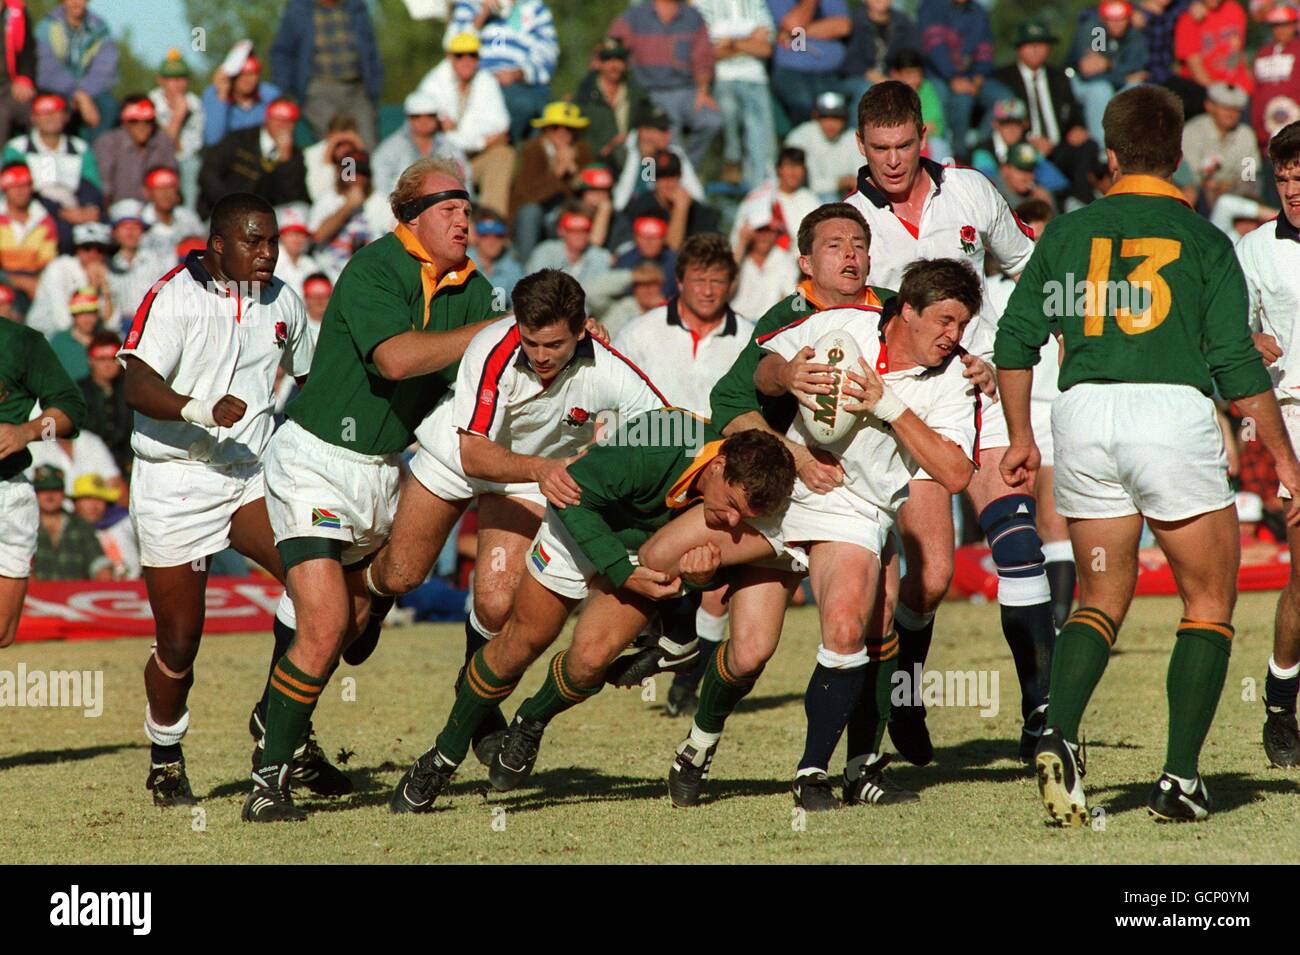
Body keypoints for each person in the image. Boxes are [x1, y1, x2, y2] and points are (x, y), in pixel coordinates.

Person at [995, 84, 1300, 825]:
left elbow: (1013, 340)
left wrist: (1022, 439)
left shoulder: (1067, 233)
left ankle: (1059, 732)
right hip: (1168, 414)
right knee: (1207, 601)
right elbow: (1234, 361)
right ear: (1179, 157)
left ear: (1109, 155)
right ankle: (1180, 778)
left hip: (1084, 416)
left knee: (1099, 595)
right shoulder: (1203, 239)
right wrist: (1287, 461)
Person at [639, 257, 981, 809]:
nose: (953, 336)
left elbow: (957, 474)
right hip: (783, 490)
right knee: (686, 587)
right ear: (908, 311)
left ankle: (816, 772)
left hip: (856, 511)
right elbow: (762, 369)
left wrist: (888, 405)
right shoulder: (840, 326)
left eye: (962, 325)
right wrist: (788, 375)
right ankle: (696, 739)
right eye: (944, 321)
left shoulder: (953, 379)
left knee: (850, 625)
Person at [243, 158, 502, 823]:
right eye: (450, 209)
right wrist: (495, 332)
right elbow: (396, 358)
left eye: (468, 209)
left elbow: (522, 343)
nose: (464, 220)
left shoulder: (478, 287)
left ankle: (276, 713)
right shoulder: (373, 268)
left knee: (354, 635)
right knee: (327, 623)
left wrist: (575, 335)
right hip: (315, 460)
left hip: (387, 469)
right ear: (413, 215)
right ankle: (266, 783)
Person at [386, 413, 795, 811]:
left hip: (640, 555)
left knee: (591, 659)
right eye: (731, 504)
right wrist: (621, 571)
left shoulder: (728, 492)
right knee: (521, 644)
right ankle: (441, 757)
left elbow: (695, 573)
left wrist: (701, 578)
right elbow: (571, 493)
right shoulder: (660, 442)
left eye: (744, 516)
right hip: (579, 521)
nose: (732, 521)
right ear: (719, 463)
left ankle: (531, 721)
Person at [364, 269, 666, 781]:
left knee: (498, 602)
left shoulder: (608, 364)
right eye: (531, 341)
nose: (541, 355)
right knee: (402, 575)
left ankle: (473, 690)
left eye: (555, 344)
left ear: (583, 330)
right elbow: (474, 453)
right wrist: (544, 470)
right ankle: (370, 599)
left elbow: (665, 426)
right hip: (458, 453)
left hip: (530, 475)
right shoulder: (494, 347)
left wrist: (614, 453)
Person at [846, 80, 1054, 766]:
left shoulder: (969, 190)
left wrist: (1007, 353)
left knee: (1018, 545)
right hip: (911, 409)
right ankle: (905, 696)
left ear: (923, 138)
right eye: (880, 149)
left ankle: (1040, 715)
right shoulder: (851, 221)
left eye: (905, 145)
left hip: (983, 387)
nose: (894, 161)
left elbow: (1025, 266)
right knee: (930, 577)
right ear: (860, 146)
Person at [117, 191, 339, 808]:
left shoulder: (282, 301)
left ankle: (278, 722)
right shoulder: (173, 295)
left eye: (271, 240)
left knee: (318, 586)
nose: (267, 253)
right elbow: (136, 383)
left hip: (250, 474)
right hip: (175, 479)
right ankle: (165, 757)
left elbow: (314, 377)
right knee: (181, 640)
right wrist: (199, 409)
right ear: (218, 245)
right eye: (253, 241)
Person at [1233, 119, 1300, 768]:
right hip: (1294, 416)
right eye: (1282, 179)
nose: (1291, 190)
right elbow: (1227, 330)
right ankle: (1282, 702)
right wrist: (1250, 341)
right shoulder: (1255, 249)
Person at [0, 319, 83, 646]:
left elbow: (72, 410)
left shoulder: (20, 341)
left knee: (3, 632)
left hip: (8, 491)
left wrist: (27, 432)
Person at [615, 232, 751, 417]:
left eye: (717, 281)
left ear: (730, 285)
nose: (708, 291)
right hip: (650, 442)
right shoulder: (638, 332)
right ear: (679, 282)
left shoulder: (749, 339)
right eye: (699, 280)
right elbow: (610, 398)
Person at [608, 0, 723, 168]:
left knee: (711, 121)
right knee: (660, 149)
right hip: (650, 93)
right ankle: (656, 181)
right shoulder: (635, 15)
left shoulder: (692, 16)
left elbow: (703, 57)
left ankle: (682, 172)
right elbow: (611, 47)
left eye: (663, 132)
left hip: (686, 90)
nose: (663, 136)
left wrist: (703, 90)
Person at [414, 32, 516, 221]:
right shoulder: (433, 83)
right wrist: (482, 139)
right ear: (449, 57)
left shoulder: (486, 80)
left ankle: (490, 225)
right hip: (441, 161)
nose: (467, 60)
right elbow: (433, 136)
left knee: (504, 155)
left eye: (472, 55)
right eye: (460, 55)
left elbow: (502, 130)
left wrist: (454, 133)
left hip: (474, 159)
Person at [270, 0, 381, 148]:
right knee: (336, 146)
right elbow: (282, 53)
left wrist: (374, 89)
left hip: (357, 89)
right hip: (318, 90)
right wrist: (286, 92)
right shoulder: (299, 9)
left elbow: (371, 51)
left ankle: (357, 170)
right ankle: (345, 170)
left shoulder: (355, 7)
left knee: (367, 145)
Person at [444, 0, 559, 143]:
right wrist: (483, 13)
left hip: (523, 82)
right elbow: (452, 46)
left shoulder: (536, 8)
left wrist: (518, 73)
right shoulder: (470, 5)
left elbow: (548, 53)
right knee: (521, 105)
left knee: (547, 113)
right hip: (479, 81)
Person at [4, 91, 101, 253]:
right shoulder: (17, 148)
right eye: (44, 112)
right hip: (35, 208)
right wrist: (60, 211)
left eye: (56, 112)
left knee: (100, 232)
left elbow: (90, 184)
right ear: (33, 117)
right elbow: (16, 188)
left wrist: (88, 209)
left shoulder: (80, 147)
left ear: (66, 116)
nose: (50, 117)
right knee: (61, 233)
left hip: (76, 206)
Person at [694, 0, 776, 187]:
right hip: (722, 79)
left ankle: (759, 189)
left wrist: (730, 42)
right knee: (727, 108)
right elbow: (709, 52)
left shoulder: (756, 3)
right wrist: (749, 41)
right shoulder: (703, 4)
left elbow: (766, 49)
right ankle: (732, 158)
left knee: (761, 141)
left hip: (756, 79)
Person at [197, 98, 309, 221]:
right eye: (278, 120)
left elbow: (293, 197)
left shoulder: (294, 155)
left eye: (288, 122)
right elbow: (208, 174)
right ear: (267, 118)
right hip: (224, 212)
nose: (282, 126)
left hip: (265, 218)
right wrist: (230, 204)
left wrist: (286, 161)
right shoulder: (239, 139)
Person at [510, 102, 593, 265]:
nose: (563, 133)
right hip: (536, 220)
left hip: (565, 219)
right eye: (556, 127)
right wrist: (557, 173)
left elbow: (591, 193)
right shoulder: (531, 150)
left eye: (569, 128)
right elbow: (526, 195)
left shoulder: (582, 152)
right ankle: (526, 270)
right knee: (530, 212)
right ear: (546, 129)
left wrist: (574, 173)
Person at [990, 20, 1083, 161]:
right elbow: (1003, 120)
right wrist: (1029, 138)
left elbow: (1073, 111)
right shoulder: (1003, 79)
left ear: (1049, 48)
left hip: (1060, 147)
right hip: (1022, 147)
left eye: (1041, 44)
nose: (1035, 48)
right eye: (1029, 44)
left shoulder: (1058, 77)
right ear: (1019, 48)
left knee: (1086, 148)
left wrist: (1077, 128)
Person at [916, 0, 996, 160]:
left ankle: (980, 147)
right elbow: (934, 46)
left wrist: (979, 76)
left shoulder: (978, 11)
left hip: (972, 78)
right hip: (937, 75)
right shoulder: (931, 6)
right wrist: (952, 76)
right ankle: (955, 155)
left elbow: (985, 48)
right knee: (957, 100)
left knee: (1004, 100)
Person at [1066, 2, 1150, 149]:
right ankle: (1103, 152)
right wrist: (1122, 76)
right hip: (1080, 84)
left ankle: (1134, 150)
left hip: (1114, 83)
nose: (1117, 24)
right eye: (1112, 19)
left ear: (1129, 18)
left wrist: (1109, 65)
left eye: (1121, 19)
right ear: (1103, 19)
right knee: (1101, 90)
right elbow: (1092, 74)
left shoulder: (1133, 34)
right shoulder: (1097, 31)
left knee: (1138, 88)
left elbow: (1138, 68)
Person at [34, 0, 117, 140]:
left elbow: (105, 68)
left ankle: (94, 156)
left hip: (91, 91)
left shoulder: (100, 29)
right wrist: (77, 94)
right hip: (56, 89)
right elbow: (47, 69)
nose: (76, 2)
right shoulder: (47, 26)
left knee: (109, 106)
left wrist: (84, 93)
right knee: (51, 108)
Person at [371, 90, 471, 207]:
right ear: (408, 118)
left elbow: (465, 181)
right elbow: (381, 186)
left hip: (442, 205)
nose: (424, 121)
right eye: (417, 116)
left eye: (430, 116)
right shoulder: (389, 148)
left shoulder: (450, 148)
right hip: (398, 206)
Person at [610, 149, 718, 251]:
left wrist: (681, 208)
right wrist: (680, 210)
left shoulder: (698, 211)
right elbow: (670, 249)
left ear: (680, 177)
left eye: (672, 176)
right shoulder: (639, 208)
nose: (668, 183)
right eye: (661, 177)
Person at [767, 0, 852, 128]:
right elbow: (793, 24)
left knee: (838, 108)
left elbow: (843, 26)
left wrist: (798, 32)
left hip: (831, 72)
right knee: (803, 103)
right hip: (791, 71)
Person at [573, 37, 650, 172]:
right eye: (607, 59)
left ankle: (649, 187)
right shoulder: (584, 96)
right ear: (598, 63)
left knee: (652, 157)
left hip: (632, 157)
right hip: (596, 161)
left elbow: (650, 125)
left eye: (619, 59)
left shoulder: (636, 94)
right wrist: (605, 149)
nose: (614, 65)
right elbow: (576, 137)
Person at [1182, 82, 1262, 208]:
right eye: (1225, 107)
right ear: (1209, 106)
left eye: (1236, 109)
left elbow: (1249, 175)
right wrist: (1211, 184)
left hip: (1235, 192)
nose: (1231, 114)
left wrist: (1229, 185)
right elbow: (1188, 175)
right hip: (1201, 195)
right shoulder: (1193, 131)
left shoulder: (1246, 134)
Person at [26, 220, 112, 336]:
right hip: (42, 336)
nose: (93, 254)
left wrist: (104, 287)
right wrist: (91, 288)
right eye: (87, 248)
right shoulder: (58, 268)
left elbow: (112, 324)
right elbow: (63, 322)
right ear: (77, 249)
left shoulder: (105, 272)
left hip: (83, 337)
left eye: (100, 250)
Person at [91, 97, 178, 209]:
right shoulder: (108, 143)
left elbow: (172, 183)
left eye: (147, 121)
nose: (141, 126)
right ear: (124, 122)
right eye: (134, 121)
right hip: (119, 209)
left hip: (156, 210)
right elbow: (104, 187)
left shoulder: (163, 141)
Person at [729, 146, 819, 251]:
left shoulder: (809, 199)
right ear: (778, 169)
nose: (794, 172)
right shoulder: (760, 197)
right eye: (789, 166)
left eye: (798, 166)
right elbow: (738, 236)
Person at [148, 50, 204, 212]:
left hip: (185, 161)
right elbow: (162, 146)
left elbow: (190, 148)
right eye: (172, 79)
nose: (178, 84)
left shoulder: (194, 104)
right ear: (161, 80)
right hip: (155, 160)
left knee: (192, 165)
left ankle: (189, 214)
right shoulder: (152, 102)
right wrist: (178, 116)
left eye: (182, 78)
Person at [32, 464, 109, 580]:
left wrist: (104, 575)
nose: (50, 495)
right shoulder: (23, 526)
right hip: (33, 595)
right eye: (43, 490)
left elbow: (98, 562)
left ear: (63, 493)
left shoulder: (80, 525)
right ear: (34, 493)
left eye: (55, 490)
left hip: (74, 595)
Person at [308, 148, 375, 279]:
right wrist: (348, 207)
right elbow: (317, 236)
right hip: (327, 275)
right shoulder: (327, 198)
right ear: (340, 172)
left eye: (360, 172)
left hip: (366, 276)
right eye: (349, 171)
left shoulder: (378, 202)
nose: (355, 177)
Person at [785, 90, 861, 201]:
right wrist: (841, 183)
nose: (831, 124)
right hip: (804, 198)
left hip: (844, 197)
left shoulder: (852, 137)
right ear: (816, 116)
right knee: (828, 198)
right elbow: (807, 184)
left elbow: (859, 178)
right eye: (825, 117)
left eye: (837, 118)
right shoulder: (800, 137)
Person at [0, 160, 58, 301]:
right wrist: (19, 282)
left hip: (36, 284)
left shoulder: (44, 220)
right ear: (4, 188)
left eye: (25, 185)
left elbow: (47, 263)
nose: (20, 191)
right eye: (14, 186)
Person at [841, 0, 919, 103]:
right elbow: (847, 59)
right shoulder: (853, 20)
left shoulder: (903, 22)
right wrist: (872, 75)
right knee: (867, 90)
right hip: (857, 77)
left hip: (893, 77)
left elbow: (911, 55)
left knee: (925, 88)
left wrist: (903, 75)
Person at [201, 51, 282, 148]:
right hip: (227, 156)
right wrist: (222, 96)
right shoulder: (213, 95)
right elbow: (213, 140)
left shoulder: (269, 96)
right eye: (242, 74)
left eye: (253, 74)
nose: (249, 80)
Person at [730, 204, 800, 318]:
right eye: (760, 229)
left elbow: (793, 300)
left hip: (768, 327)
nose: (765, 235)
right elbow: (726, 289)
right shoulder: (736, 255)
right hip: (736, 322)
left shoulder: (784, 259)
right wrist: (742, 244)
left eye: (771, 230)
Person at [78, 328, 130, 475]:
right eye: (101, 359)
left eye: (113, 359)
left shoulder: (131, 392)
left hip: (124, 467)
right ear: (91, 360)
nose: (108, 365)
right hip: (88, 467)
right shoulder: (77, 392)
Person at [71, 471, 137, 579]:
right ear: (75, 502)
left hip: (135, 588)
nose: (94, 505)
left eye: (99, 499)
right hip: (90, 591)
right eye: (87, 498)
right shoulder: (70, 530)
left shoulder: (124, 521)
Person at [1252, 4, 1300, 152]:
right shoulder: (1262, 53)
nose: (1280, 30)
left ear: (1294, 25)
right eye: (1276, 25)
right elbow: (1257, 92)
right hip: (1266, 134)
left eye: (1285, 25)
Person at [524, 202, 611, 284]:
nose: (579, 235)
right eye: (572, 230)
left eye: (585, 230)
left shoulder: (600, 257)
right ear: (560, 230)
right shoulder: (546, 252)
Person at [1175, 0, 1253, 92]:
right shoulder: (1188, 19)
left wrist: (1233, 81)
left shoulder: (1234, 9)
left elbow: (1237, 51)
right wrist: (1219, 93)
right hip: (1206, 91)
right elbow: (1195, 68)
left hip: (1239, 89)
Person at [137, 165, 202, 263]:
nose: (166, 194)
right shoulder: (140, 221)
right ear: (147, 192)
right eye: (160, 189)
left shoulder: (189, 218)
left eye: (170, 188)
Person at [468, 207, 523, 306]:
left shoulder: (513, 267)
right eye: (485, 234)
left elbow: (521, 305)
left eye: (498, 234)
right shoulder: (461, 263)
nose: (492, 240)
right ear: (475, 236)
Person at [613, 214, 677, 296]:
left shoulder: (675, 263)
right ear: (635, 238)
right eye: (644, 236)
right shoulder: (624, 261)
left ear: (664, 239)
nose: (649, 242)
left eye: (655, 237)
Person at [48, 285, 103, 380]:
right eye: (81, 313)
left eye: (91, 312)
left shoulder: (105, 340)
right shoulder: (58, 342)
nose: (87, 318)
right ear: (73, 315)